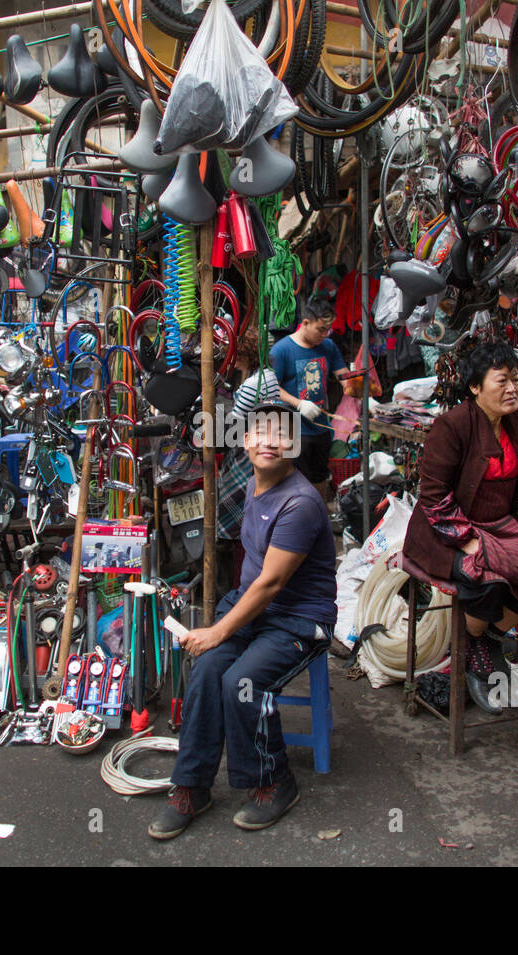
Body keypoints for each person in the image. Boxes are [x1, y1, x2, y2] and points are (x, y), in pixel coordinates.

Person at [149, 403, 336, 839]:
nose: (269, 442)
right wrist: (221, 633)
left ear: (295, 443)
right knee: (208, 670)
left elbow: (271, 584)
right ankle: (192, 785)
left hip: (297, 620)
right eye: (260, 433)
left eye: (281, 434)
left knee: (241, 683)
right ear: (245, 440)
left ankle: (274, 782)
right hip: (253, 610)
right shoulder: (254, 484)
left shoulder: (301, 503)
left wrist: (218, 629)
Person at [401, 343, 518, 711]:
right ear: (475, 387)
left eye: (516, 380)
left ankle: (479, 643)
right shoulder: (452, 426)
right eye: (501, 381)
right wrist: (467, 540)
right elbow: (433, 496)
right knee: (485, 578)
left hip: (500, 525)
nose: (512, 389)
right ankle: (479, 650)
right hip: (445, 533)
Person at [270, 296, 348, 497]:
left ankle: (319, 521)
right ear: (305, 323)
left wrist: (362, 394)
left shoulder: (328, 346)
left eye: (327, 329)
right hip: (294, 429)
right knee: (295, 483)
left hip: (320, 427)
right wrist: (299, 403)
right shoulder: (282, 350)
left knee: (320, 478)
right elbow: (271, 387)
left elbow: (344, 378)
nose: (325, 334)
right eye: (320, 329)